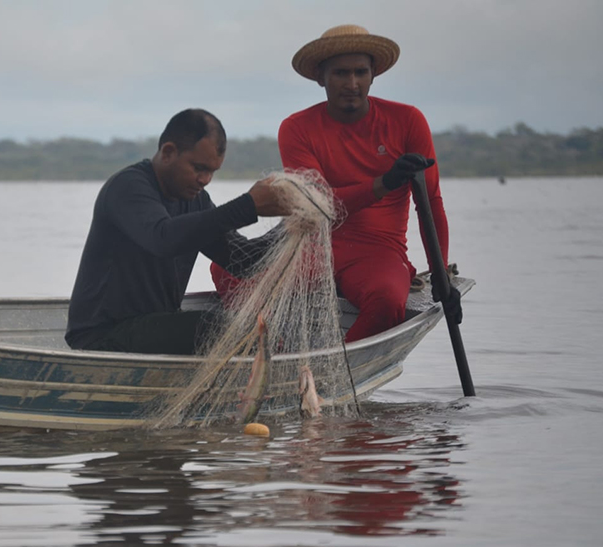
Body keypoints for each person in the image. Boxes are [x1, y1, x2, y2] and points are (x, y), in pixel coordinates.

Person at [272, 24, 462, 342]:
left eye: (361, 72)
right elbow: (319, 206)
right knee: (226, 270)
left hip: (378, 251)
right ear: (321, 77)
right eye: (340, 73)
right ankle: (278, 352)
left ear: (374, 74)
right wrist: (384, 183)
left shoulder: (408, 121)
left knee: (387, 301)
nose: (352, 83)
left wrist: (441, 277)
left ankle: (334, 373)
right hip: (312, 245)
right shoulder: (296, 128)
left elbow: (431, 203)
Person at [65, 108, 293, 355]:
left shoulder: (195, 199)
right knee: (213, 327)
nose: (205, 179)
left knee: (240, 326)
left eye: (212, 172)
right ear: (168, 152)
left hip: (154, 326)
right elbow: (163, 238)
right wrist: (247, 206)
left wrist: (289, 228)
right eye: (198, 168)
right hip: (102, 335)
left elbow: (242, 261)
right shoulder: (128, 187)